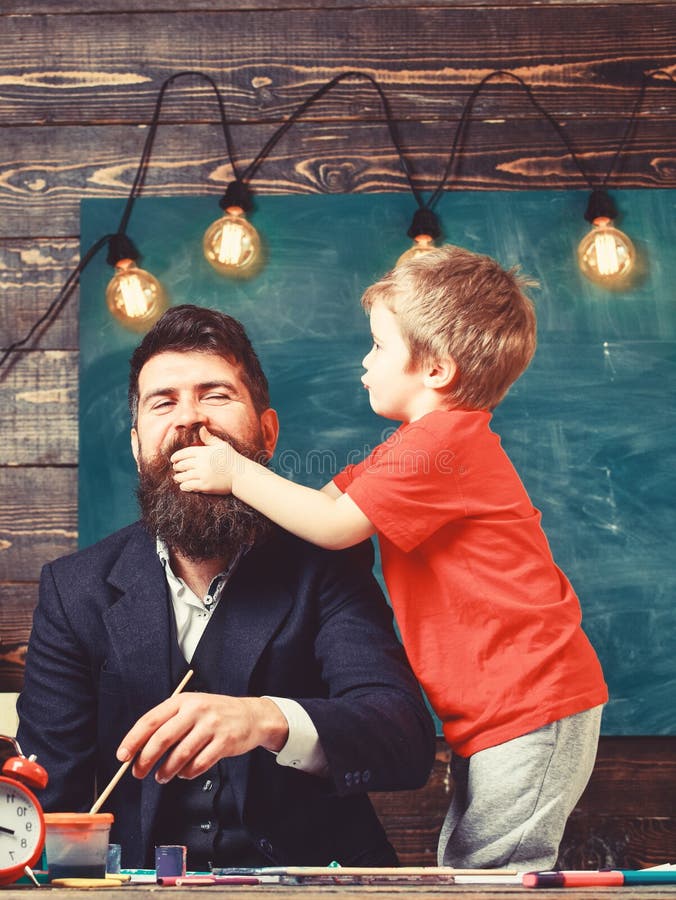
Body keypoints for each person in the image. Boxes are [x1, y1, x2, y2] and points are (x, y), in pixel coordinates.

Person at [170, 246, 609, 871]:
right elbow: (319, 506)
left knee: (494, 872)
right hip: (503, 702)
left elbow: (330, 524)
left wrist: (234, 471)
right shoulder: (412, 448)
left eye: (378, 346)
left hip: (532, 696)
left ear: (435, 368)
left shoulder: (439, 445)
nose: (364, 363)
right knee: (470, 861)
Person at [16, 304, 436, 871]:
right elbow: (51, 796)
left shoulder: (326, 561)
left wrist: (267, 719)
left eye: (215, 395)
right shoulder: (74, 590)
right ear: (139, 447)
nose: (191, 421)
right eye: (164, 402)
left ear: (266, 433)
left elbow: (404, 740)